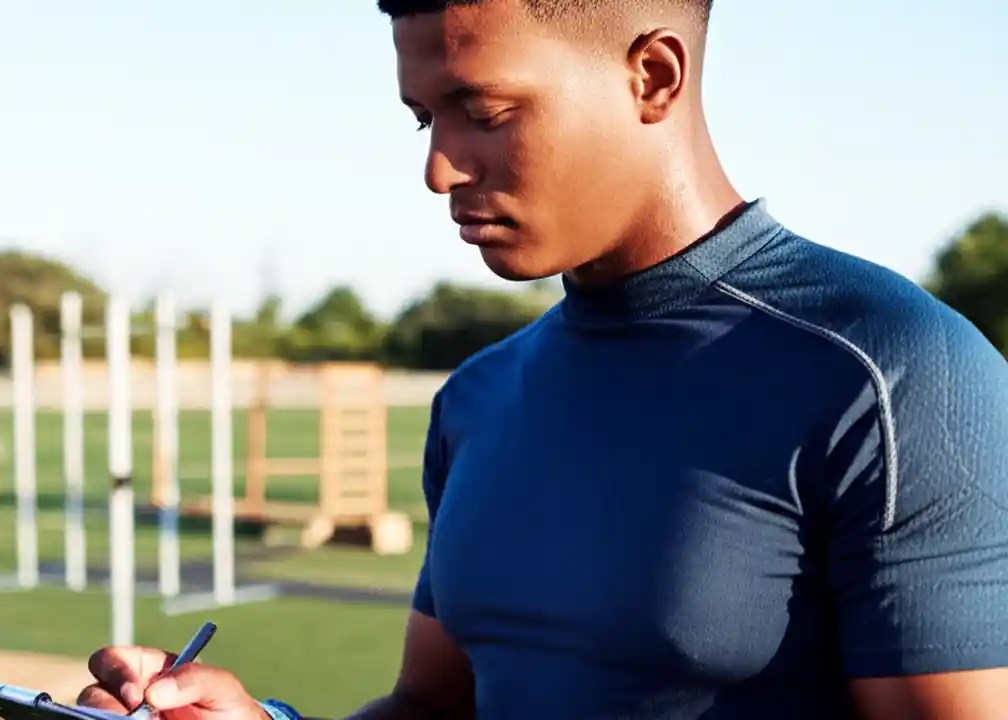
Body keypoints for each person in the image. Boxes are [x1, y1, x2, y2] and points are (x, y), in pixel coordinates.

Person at [76, 0, 1008, 717]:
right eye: (424, 119)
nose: (440, 168)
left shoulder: (891, 376)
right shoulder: (478, 398)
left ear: (653, 76)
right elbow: (434, 708)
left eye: (482, 111)